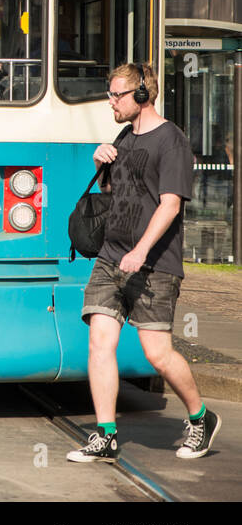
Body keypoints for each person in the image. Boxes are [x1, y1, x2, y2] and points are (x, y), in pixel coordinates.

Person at [67, 62, 222, 463]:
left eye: (116, 95)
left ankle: (201, 417)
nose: (110, 101)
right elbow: (115, 192)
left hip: (155, 264)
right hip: (111, 257)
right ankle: (105, 434)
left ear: (141, 96)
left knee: (157, 354)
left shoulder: (171, 141)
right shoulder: (125, 137)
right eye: (110, 93)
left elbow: (169, 205)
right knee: (100, 342)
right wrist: (101, 165)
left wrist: (141, 251)